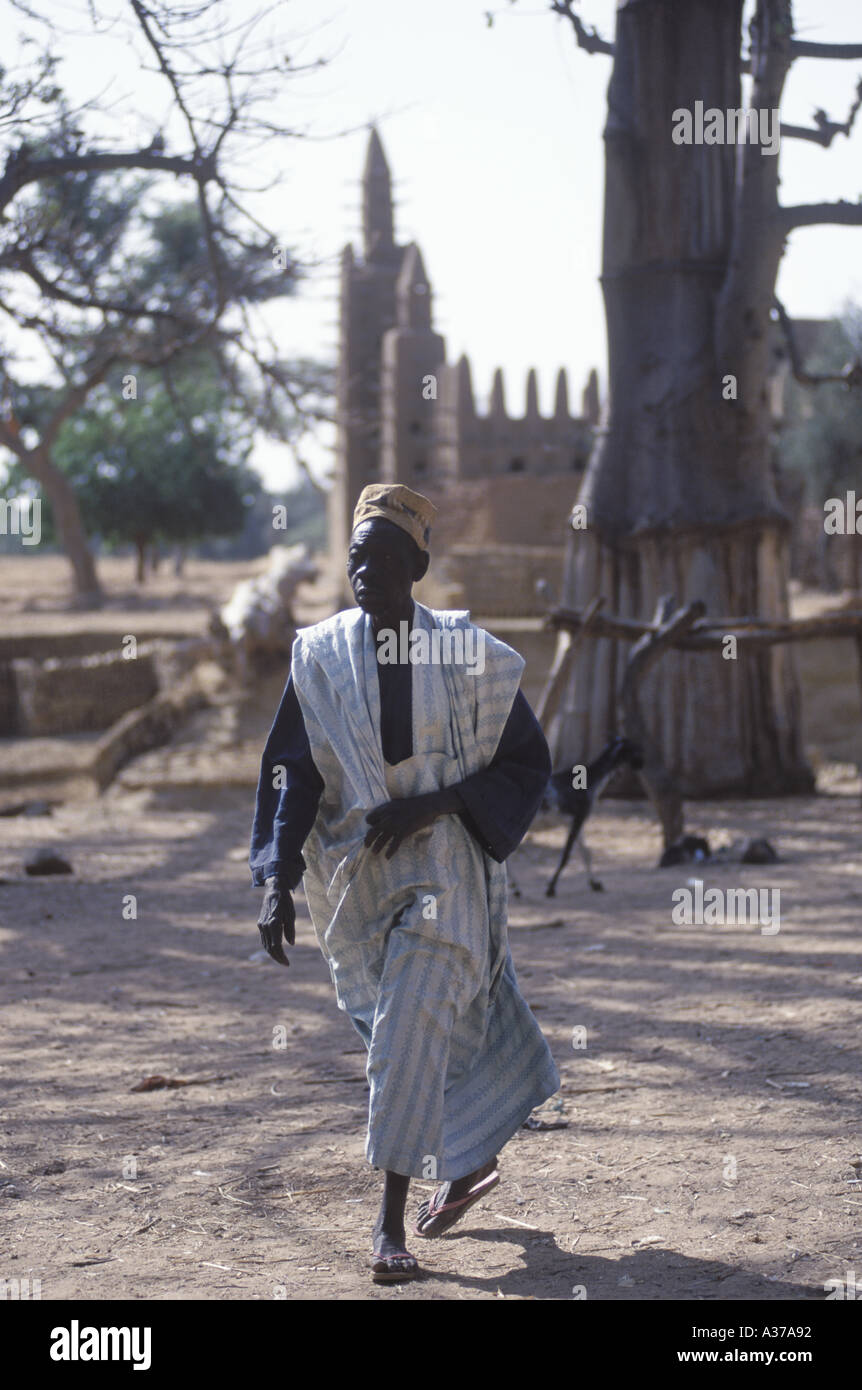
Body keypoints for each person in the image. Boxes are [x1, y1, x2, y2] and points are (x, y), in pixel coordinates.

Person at [250, 483, 560, 1282]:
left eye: (386, 559)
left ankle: (390, 1226)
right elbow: (294, 774)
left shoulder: (467, 656)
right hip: (363, 880)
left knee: (408, 1028)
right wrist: (275, 877)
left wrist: (439, 802)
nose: (367, 572)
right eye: (357, 558)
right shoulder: (319, 658)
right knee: (409, 1033)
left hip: (447, 874)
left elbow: (527, 762)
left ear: (417, 567)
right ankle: (472, 1164)